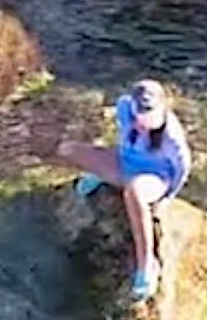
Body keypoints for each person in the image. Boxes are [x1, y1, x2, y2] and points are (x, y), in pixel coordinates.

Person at [56, 80, 191, 301]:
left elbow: (182, 169)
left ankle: (146, 265)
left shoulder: (171, 137)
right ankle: (104, 176)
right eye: (141, 114)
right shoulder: (123, 107)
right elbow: (122, 144)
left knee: (134, 191)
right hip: (126, 164)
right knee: (68, 149)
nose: (144, 121)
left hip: (155, 176)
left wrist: (167, 198)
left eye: (150, 115)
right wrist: (104, 164)